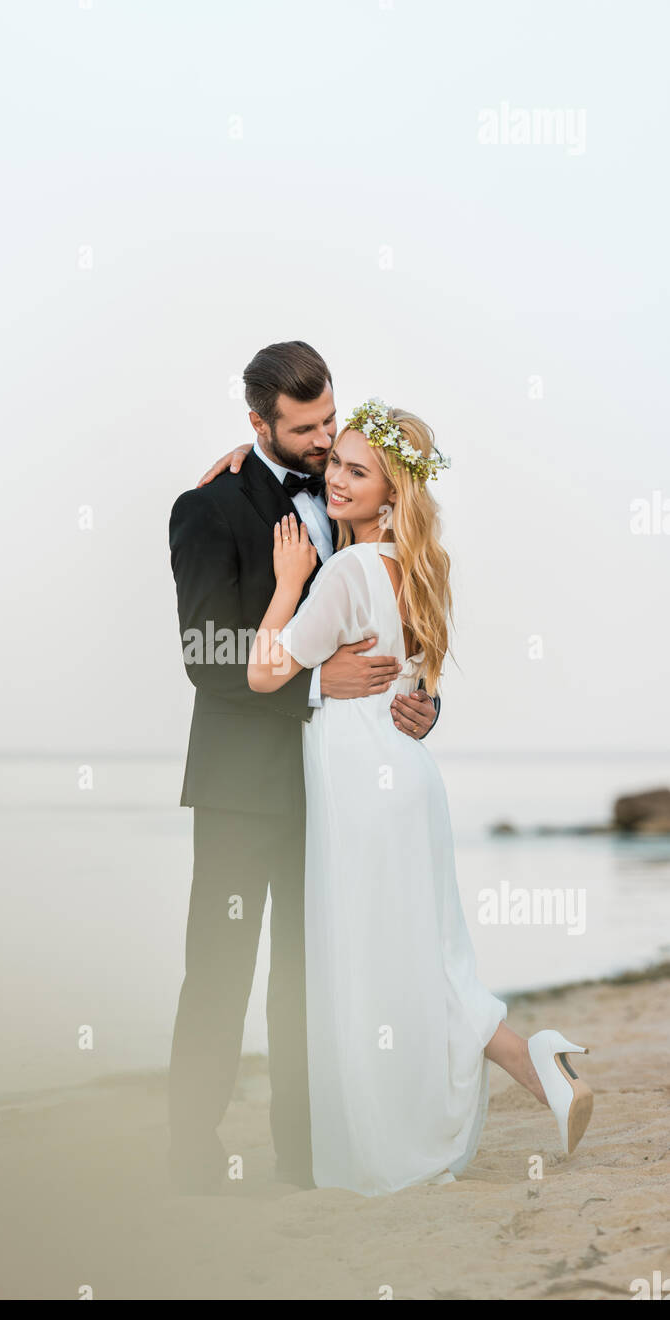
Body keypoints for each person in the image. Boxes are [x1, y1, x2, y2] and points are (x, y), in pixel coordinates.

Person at [245, 398, 593, 1193]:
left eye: (356, 471)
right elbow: (419, 694)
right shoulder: (417, 573)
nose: (335, 478)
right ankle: (535, 1065)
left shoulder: (342, 571)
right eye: (335, 463)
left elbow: (265, 671)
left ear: (392, 492)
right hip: (406, 782)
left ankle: (421, 1126)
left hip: (360, 793)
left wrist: (285, 581)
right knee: (421, 961)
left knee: (377, 970)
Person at [167, 341, 439, 1195]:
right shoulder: (207, 509)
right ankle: (190, 1155)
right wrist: (316, 681)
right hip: (243, 788)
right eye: (304, 428)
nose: (325, 442)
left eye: (330, 420)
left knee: (310, 973)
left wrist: (422, 706)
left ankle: (302, 1154)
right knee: (219, 967)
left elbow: (402, 636)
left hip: (339, 785)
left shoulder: (355, 502)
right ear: (258, 424)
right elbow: (205, 655)